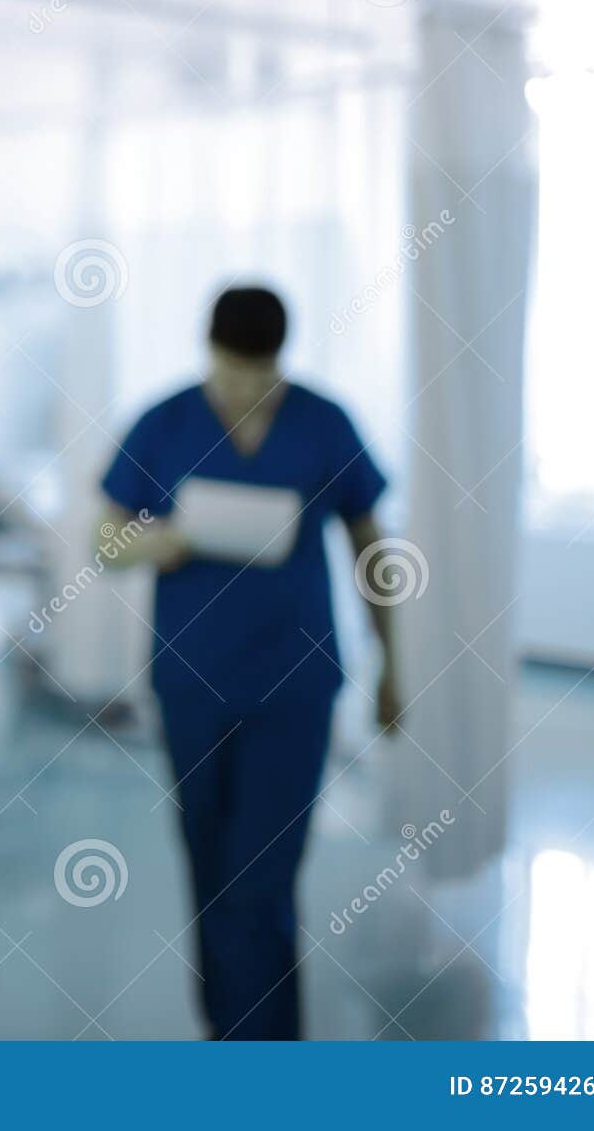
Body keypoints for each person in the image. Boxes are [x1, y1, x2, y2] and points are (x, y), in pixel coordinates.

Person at [98, 284, 402, 1040]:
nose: (243, 390)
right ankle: (228, 1031)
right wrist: (164, 540)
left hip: (294, 686)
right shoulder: (165, 423)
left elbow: (371, 550)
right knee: (207, 867)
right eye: (232, 373)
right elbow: (104, 543)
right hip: (191, 683)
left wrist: (393, 660)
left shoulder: (322, 423)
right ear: (208, 351)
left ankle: (264, 1045)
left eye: (259, 375)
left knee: (261, 874)